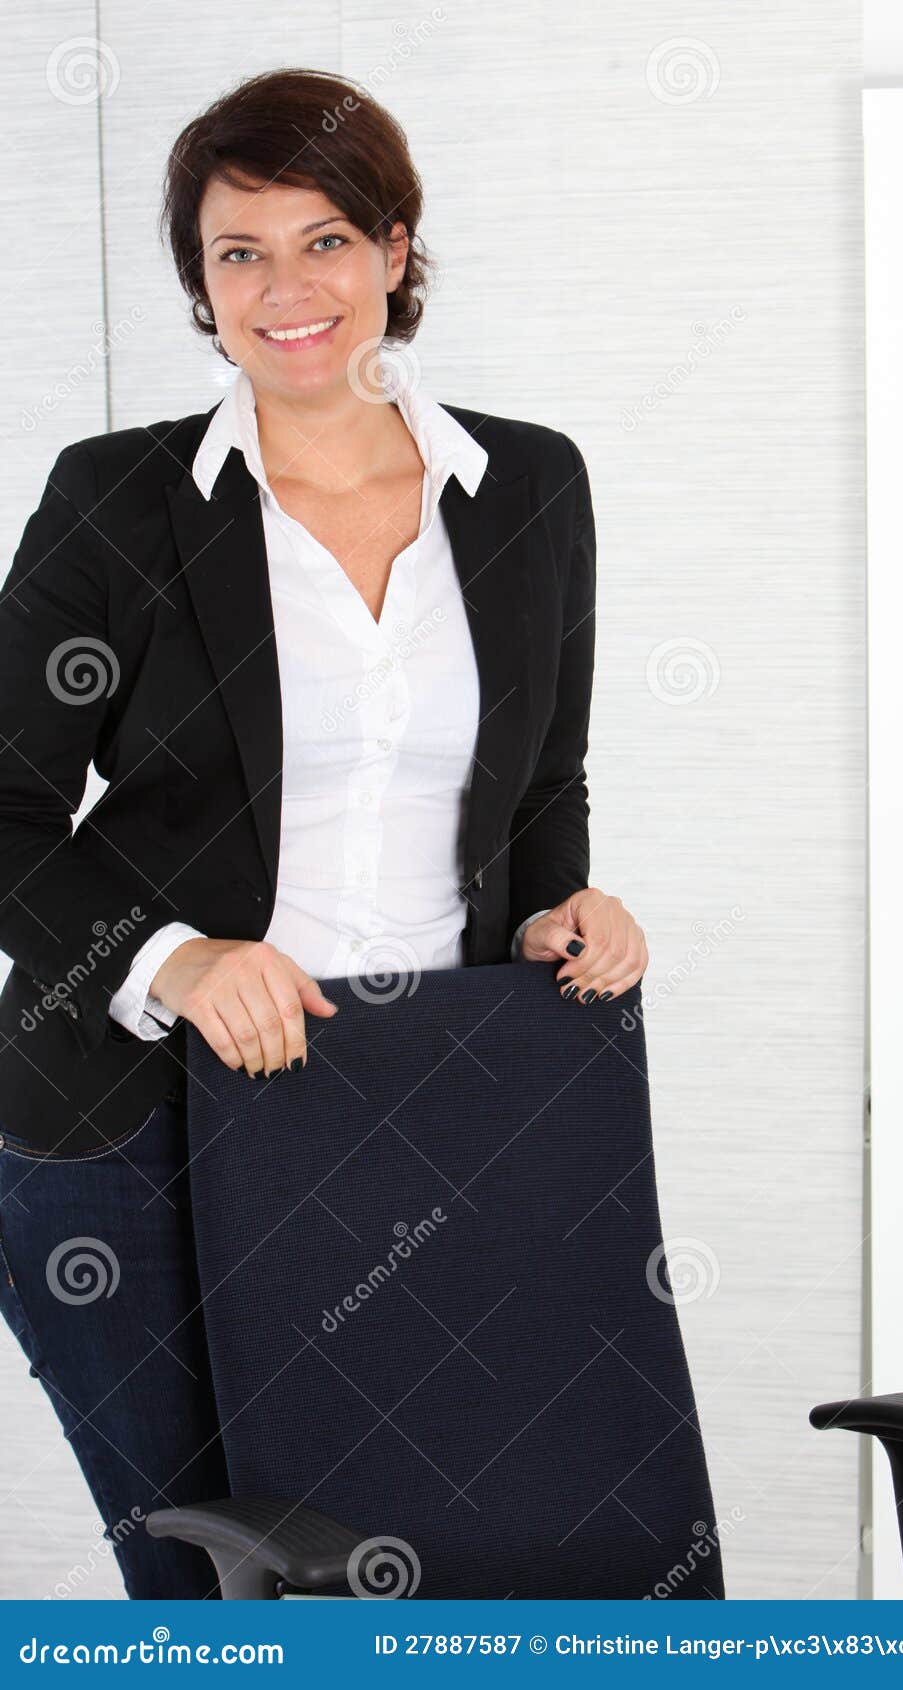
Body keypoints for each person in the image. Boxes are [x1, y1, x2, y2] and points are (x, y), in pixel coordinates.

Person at [0, 67, 648, 1598]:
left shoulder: (530, 485)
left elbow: (541, 782)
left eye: (328, 240)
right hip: (131, 1130)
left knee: (434, 1559)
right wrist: (174, 955)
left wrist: (566, 910)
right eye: (239, 253)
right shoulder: (119, 501)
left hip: (429, 1107)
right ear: (200, 284)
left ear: (397, 251)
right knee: (224, 1585)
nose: (287, 290)